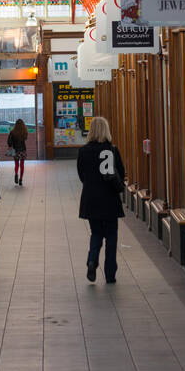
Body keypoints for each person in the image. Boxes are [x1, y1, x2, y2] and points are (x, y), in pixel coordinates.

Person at [77, 116, 125, 284]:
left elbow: (81, 175)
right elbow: (121, 173)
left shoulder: (83, 151)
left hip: (91, 200)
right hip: (110, 200)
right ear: (106, 130)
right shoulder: (112, 151)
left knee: (96, 233)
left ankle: (92, 260)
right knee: (111, 236)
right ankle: (110, 273)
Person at [7, 118, 28, 185]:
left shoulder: (12, 132)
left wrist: (11, 145)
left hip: (15, 150)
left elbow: (9, 142)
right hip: (23, 150)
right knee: (22, 165)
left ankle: (16, 174)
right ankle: (21, 179)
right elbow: (25, 138)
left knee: (16, 164)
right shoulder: (24, 132)